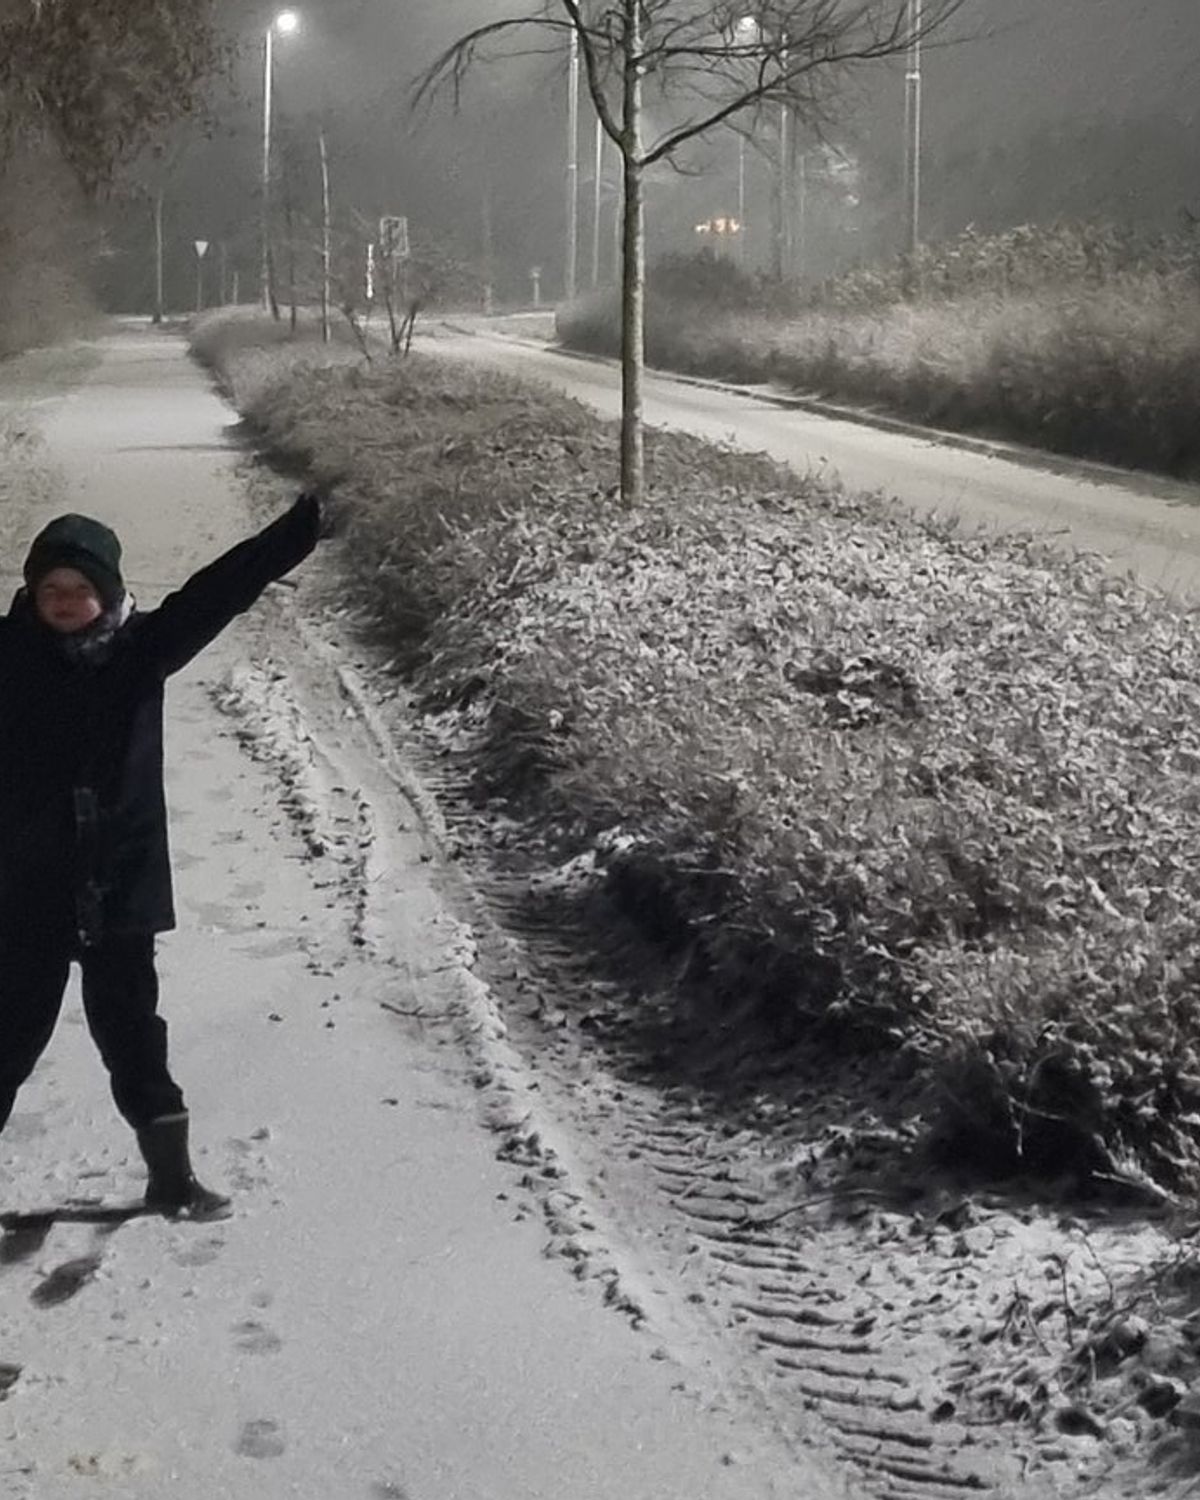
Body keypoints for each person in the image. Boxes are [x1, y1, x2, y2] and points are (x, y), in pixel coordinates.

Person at [0, 494, 322, 1218]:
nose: (64, 601)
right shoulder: (9, 655)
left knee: (134, 1037)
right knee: (7, 1036)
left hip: (120, 888)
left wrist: (300, 528)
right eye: (51, 589)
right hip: (25, 889)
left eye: (80, 588)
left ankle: (173, 1179)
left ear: (108, 592)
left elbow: (218, 592)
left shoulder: (140, 653)